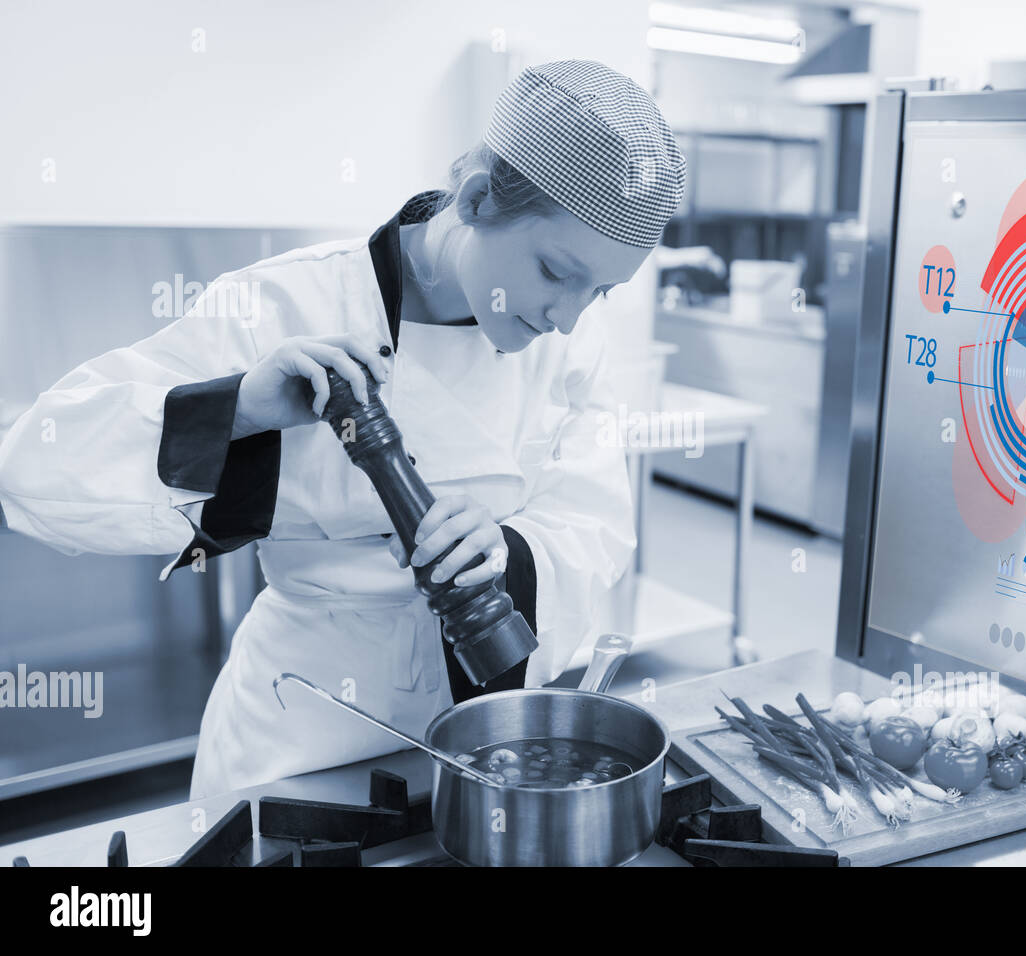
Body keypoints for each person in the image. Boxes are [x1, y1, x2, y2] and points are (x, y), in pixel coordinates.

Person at [0, 59, 687, 798]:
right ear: (480, 199)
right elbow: (32, 473)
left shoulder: (571, 340)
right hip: (300, 739)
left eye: (602, 291)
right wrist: (240, 409)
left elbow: (596, 521)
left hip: (487, 740)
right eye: (555, 272)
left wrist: (510, 549)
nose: (567, 316)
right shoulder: (289, 304)